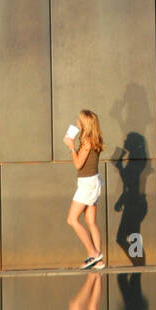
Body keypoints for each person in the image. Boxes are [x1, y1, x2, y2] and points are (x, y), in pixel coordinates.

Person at [64, 110, 105, 269]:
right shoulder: (94, 139)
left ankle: (93, 253)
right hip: (93, 181)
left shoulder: (87, 141)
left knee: (72, 219)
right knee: (90, 221)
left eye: (79, 120)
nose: (77, 122)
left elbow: (78, 164)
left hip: (87, 183)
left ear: (85, 123)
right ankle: (99, 260)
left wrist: (71, 147)